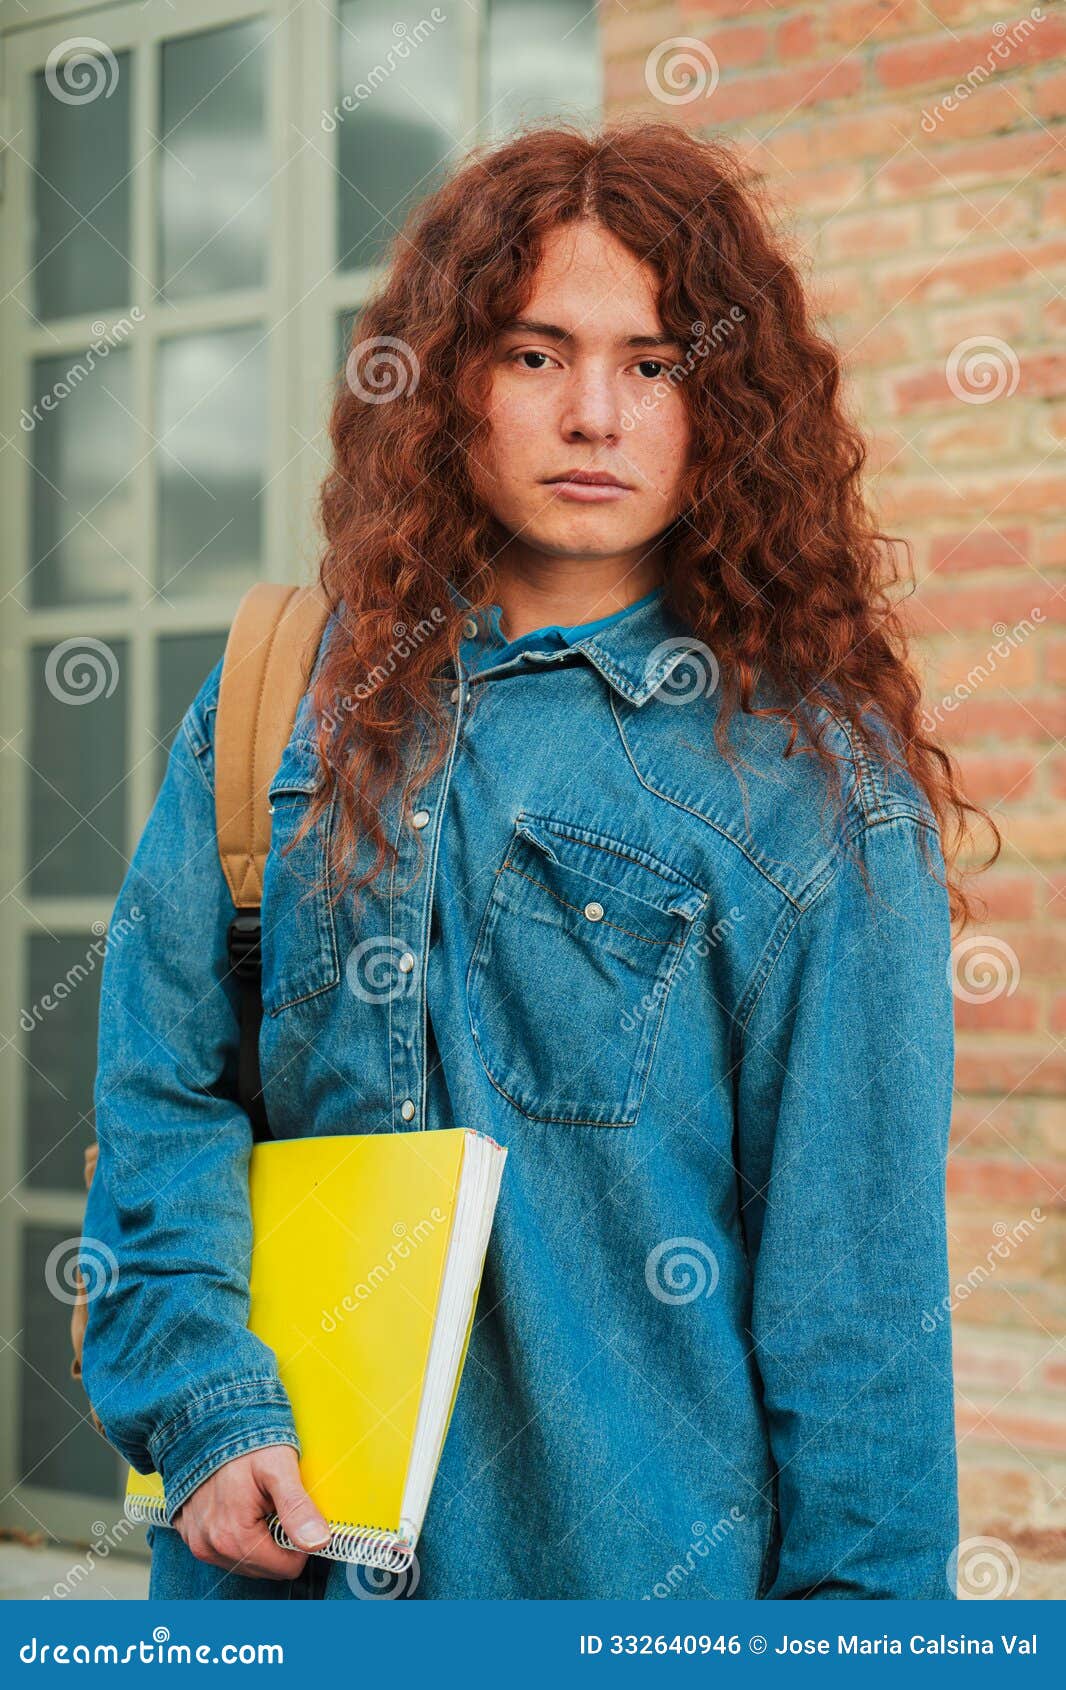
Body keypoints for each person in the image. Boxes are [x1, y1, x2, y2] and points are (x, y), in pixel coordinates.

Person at [82, 120, 992, 1601]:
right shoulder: (283, 700)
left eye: (655, 364)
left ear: (726, 403)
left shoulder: (815, 793)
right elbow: (162, 1091)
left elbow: (859, 1310)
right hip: (274, 1588)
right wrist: (205, 1408)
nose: (593, 415)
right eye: (533, 354)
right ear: (450, 381)